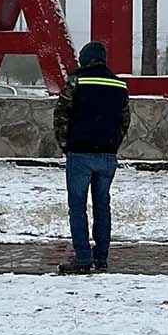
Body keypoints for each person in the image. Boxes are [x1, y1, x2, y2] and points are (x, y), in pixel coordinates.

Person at [53, 41, 130, 274]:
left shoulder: (77, 81)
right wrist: (113, 144)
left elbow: (61, 115)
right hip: (107, 155)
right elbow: (125, 120)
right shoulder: (119, 84)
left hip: (80, 152)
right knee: (102, 206)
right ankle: (102, 257)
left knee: (77, 206)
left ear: (85, 59)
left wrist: (66, 146)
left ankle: (83, 257)